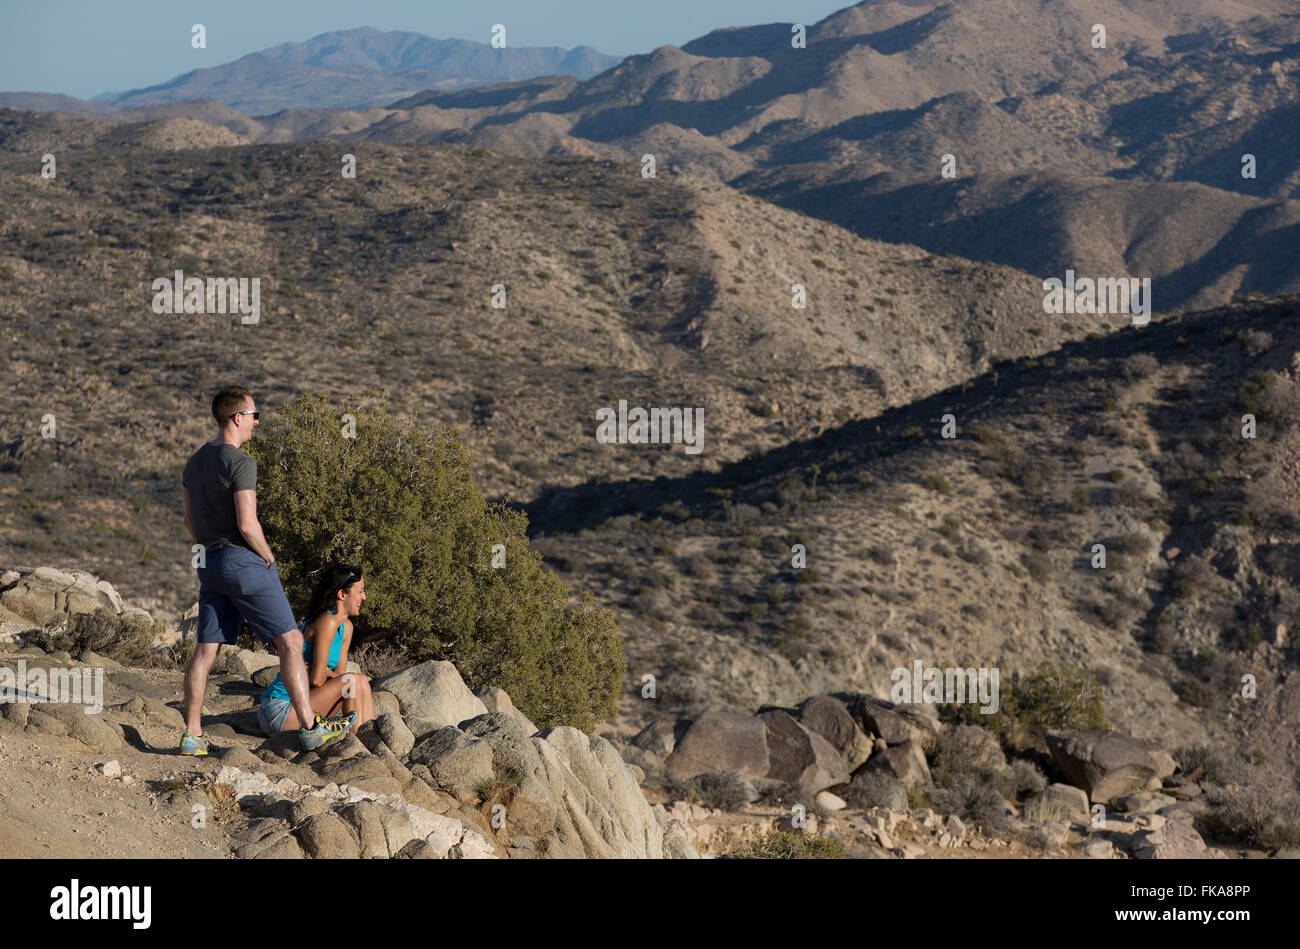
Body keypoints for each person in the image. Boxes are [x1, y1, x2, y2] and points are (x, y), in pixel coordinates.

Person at [179, 386, 354, 755]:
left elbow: (189, 520)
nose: (257, 422)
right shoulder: (241, 463)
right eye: (254, 415)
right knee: (290, 641)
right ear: (237, 418)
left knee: (205, 649)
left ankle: (192, 734)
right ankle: (309, 726)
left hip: (208, 563)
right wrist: (267, 556)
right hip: (243, 561)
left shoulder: (194, 463)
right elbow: (247, 523)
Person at [258, 564, 375, 736]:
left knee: (361, 681)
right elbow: (318, 680)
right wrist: (326, 673)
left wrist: (326, 672)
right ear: (342, 594)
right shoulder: (327, 621)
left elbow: (338, 677)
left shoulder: (346, 627)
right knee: (354, 681)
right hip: (280, 708)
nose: (364, 597)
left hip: (307, 704)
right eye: (360, 591)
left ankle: (367, 738)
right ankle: (355, 743)